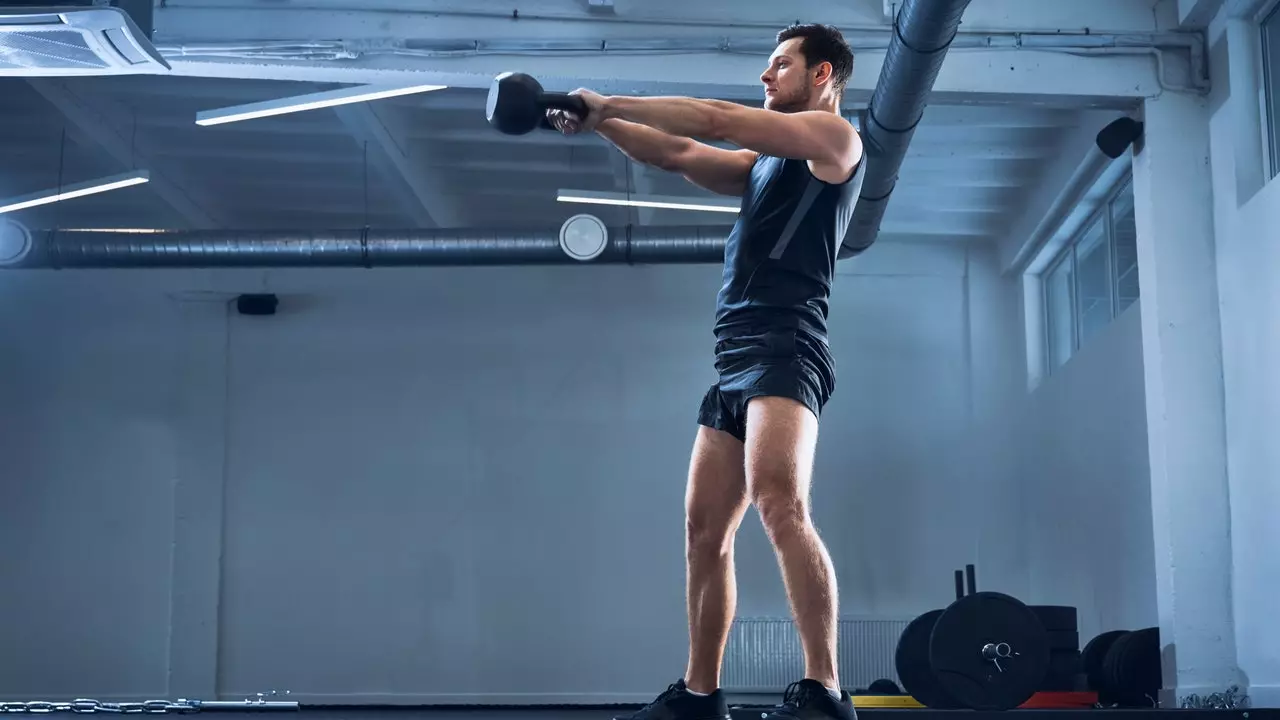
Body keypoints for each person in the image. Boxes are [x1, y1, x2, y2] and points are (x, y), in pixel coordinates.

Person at [547, 22, 865, 720]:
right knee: (703, 529)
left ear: (822, 76)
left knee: (779, 501)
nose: (765, 75)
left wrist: (609, 100)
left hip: (788, 345)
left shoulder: (837, 144)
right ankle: (699, 695)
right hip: (733, 358)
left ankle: (825, 692)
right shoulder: (764, 163)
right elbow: (683, 152)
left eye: (780, 64)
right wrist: (602, 123)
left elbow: (714, 118)